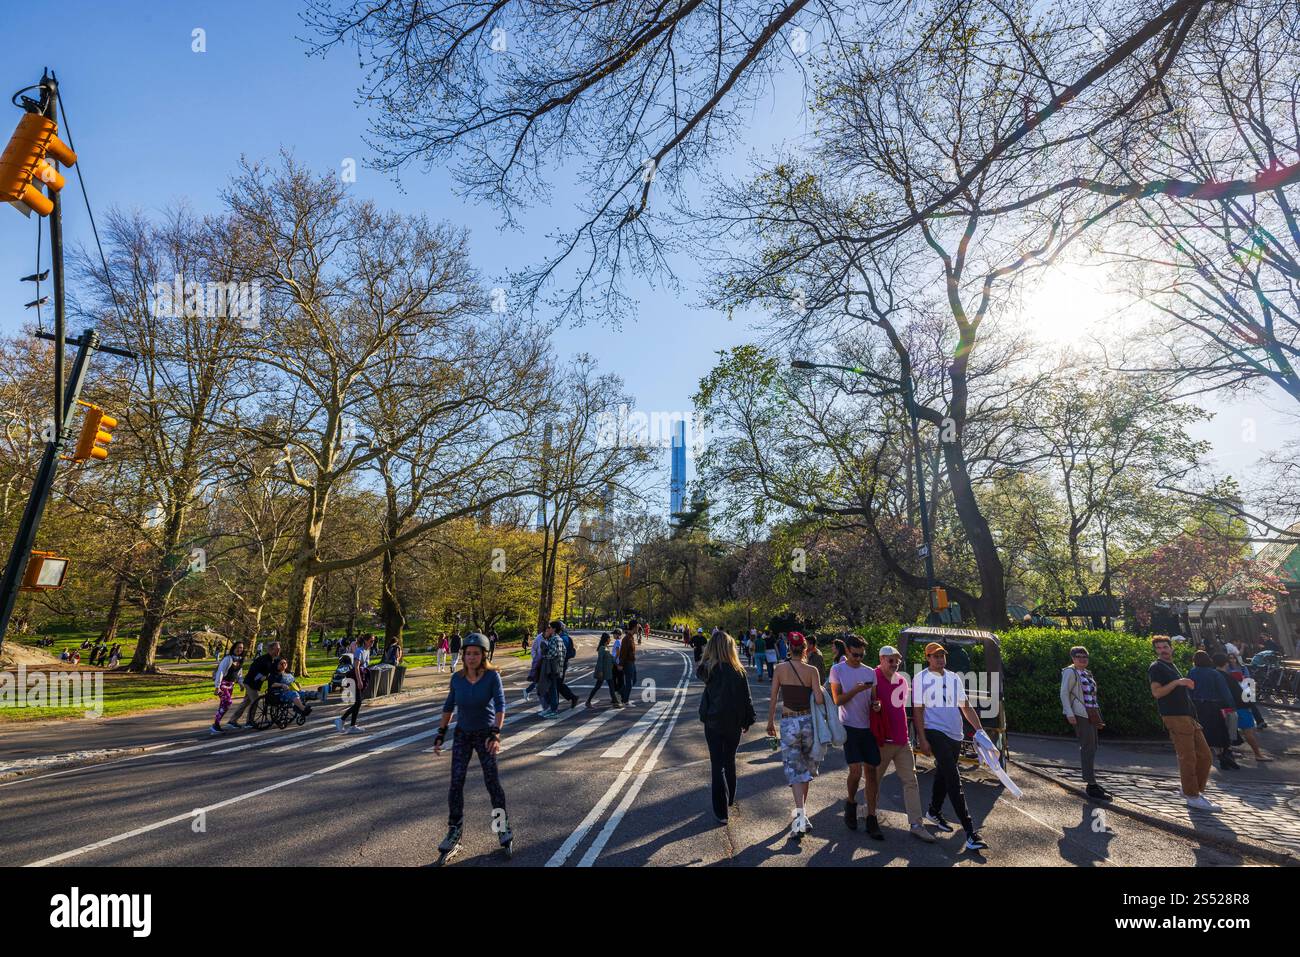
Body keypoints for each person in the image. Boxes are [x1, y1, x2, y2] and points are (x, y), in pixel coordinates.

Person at [432, 633, 511, 856]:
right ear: (463, 655)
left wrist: (495, 734)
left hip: (485, 734)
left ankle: (502, 827)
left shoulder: (492, 677)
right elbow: (448, 706)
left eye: (476, 654)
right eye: (468, 653)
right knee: (456, 782)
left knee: (491, 781)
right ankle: (454, 830)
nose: (471, 657)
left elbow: (500, 706)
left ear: (483, 655)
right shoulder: (457, 679)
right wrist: (440, 733)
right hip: (463, 734)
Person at [914, 642, 989, 851]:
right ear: (927, 658)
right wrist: (922, 738)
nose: (939, 659)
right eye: (935, 656)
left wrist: (980, 731)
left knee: (943, 774)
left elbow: (965, 706)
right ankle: (970, 832)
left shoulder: (954, 677)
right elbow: (918, 711)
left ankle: (933, 811)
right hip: (934, 731)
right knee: (954, 779)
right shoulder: (921, 679)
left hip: (955, 734)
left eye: (942, 655)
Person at [869, 645, 935, 843]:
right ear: (881, 659)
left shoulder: (902, 681)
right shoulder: (872, 677)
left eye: (897, 660)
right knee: (875, 781)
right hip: (881, 741)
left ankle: (916, 824)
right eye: (891, 660)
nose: (895, 663)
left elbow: (901, 710)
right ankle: (868, 812)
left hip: (902, 740)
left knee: (911, 781)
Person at [766, 633, 825, 840]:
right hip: (808, 722)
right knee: (806, 768)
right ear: (806, 649)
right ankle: (802, 814)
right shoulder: (812, 671)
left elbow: (774, 696)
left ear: (789, 648)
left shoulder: (780, 669)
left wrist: (770, 721)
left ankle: (801, 815)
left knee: (795, 769)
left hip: (789, 722)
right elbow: (818, 699)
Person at [1149, 636, 1219, 810]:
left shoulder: (1171, 665)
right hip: (1175, 716)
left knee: (1205, 756)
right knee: (1187, 756)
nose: (1163, 650)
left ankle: (1193, 790)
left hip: (1188, 716)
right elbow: (1157, 693)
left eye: (1165, 646)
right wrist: (1177, 682)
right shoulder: (1156, 667)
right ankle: (1192, 795)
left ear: (1171, 648)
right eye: (1159, 648)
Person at [698, 631, 755, 824]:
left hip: (713, 721)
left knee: (717, 765)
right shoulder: (739, 671)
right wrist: (747, 720)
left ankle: (721, 812)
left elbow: (700, 669)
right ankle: (730, 798)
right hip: (733, 722)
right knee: (729, 760)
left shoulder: (708, 669)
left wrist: (708, 655)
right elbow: (746, 698)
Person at [828, 635, 882, 838]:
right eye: (855, 654)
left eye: (861, 654)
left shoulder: (870, 672)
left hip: (867, 728)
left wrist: (877, 705)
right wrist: (856, 690)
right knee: (856, 772)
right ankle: (851, 803)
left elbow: (875, 700)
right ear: (847, 652)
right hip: (849, 726)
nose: (858, 658)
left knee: (872, 772)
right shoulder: (838, 670)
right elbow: (837, 700)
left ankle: (871, 818)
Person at [1060, 646, 1111, 800]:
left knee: (1093, 745)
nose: (1082, 659)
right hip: (1080, 713)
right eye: (1079, 656)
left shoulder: (1087, 673)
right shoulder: (1070, 672)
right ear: (1073, 658)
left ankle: (1092, 780)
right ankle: (1091, 783)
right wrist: (1069, 713)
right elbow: (1064, 692)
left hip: (1091, 712)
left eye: (1085, 657)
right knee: (1088, 746)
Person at [1217, 653, 1273, 763]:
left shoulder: (1216, 675)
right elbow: (1241, 693)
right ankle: (1258, 754)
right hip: (1239, 706)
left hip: (1225, 707)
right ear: (1226, 663)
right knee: (1248, 731)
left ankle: (1227, 752)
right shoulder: (1229, 677)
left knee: (1230, 731)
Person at [1188, 650, 1238, 770]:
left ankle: (1221, 757)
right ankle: (1225, 755)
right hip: (1214, 706)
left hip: (1198, 706)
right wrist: (1232, 706)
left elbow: (1189, 690)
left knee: (1208, 733)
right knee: (1221, 732)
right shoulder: (1214, 673)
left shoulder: (1192, 672)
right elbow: (1225, 692)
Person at [230, 640, 279, 729]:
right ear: (271, 650)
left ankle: (232, 721)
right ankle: (249, 722)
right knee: (255, 701)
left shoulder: (272, 659)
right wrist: (260, 677)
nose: (278, 651)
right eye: (277, 649)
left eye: (279, 649)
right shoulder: (263, 659)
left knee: (246, 702)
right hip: (250, 683)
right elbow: (253, 669)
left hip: (254, 684)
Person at [335, 635, 373, 733]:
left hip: (362, 677)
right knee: (358, 702)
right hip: (356, 678)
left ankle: (350, 725)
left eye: (373, 641)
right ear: (365, 641)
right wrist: (359, 681)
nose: (372, 643)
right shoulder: (359, 651)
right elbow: (356, 667)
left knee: (358, 703)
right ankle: (342, 720)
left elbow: (365, 666)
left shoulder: (367, 651)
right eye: (371, 641)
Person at [210, 640, 247, 734]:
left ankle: (216, 725)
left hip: (231, 685)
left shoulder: (240, 659)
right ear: (233, 648)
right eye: (238, 647)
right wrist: (217, 686)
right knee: (227, 702)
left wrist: (241, 684)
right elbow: (221, 672)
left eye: (241, 648)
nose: (240, 649)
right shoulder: (228, 658)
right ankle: (215, 726)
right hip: (223, 684)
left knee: (223, 705)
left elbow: (239, 674)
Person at [587, 633, 620, 708]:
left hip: (608, 671)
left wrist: (617, 664)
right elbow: (600, 660)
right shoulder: (602, 648)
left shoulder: (606, 647)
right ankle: (588, 701)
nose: (610, 639)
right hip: (603, 671)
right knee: (597, 687)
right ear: (606, 639)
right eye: (609, 638)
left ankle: (615, 702)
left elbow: (611, 658)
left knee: (611, 686)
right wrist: (600, 671)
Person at [556, 621, 580, 709]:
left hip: (561, 663)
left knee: (557, 684)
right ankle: (572, 697)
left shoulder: (563, 638)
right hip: (562, 663)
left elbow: (561, 651)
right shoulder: (563, 637)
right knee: (557, 684)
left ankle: (572, 697)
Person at [617, 623, 639, 706]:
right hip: (627, 663)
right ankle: (625, 700)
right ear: (633, 627)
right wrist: (621, 664)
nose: (638, 629)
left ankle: (619, 693)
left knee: (634, 679)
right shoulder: (626, 639)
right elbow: (623, 653)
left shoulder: (631, 638)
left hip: (632, 662)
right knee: (629, 682)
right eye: (637, 627)